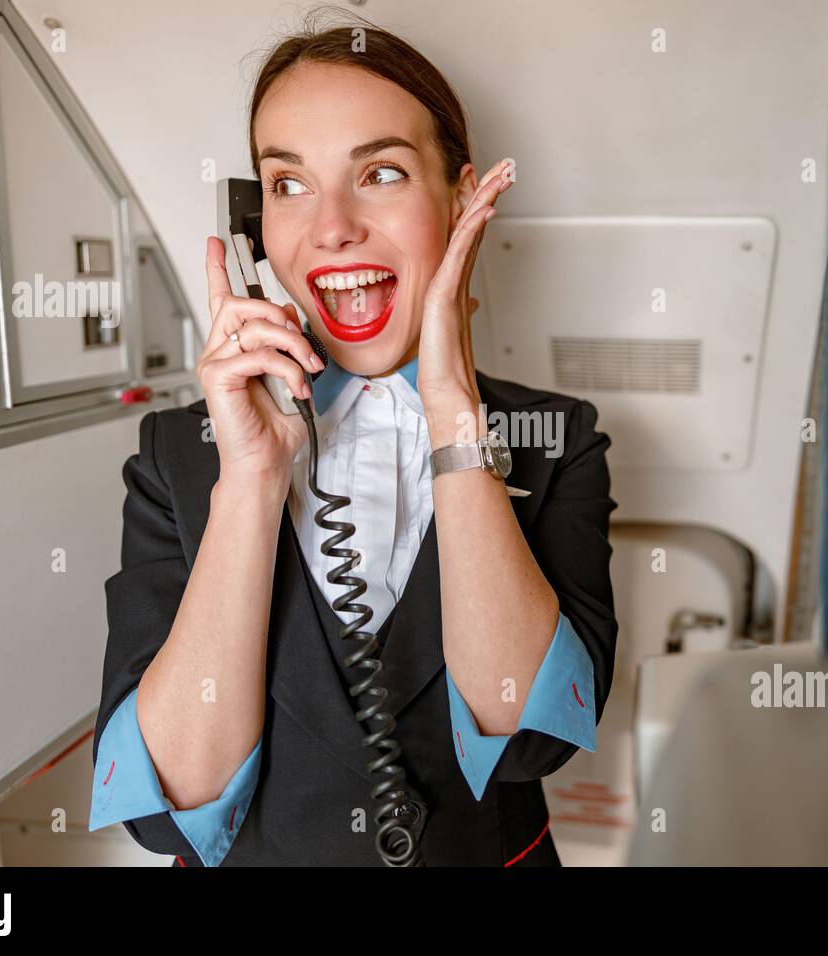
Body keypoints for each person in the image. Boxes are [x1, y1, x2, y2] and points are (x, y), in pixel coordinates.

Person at [88, 18, 618, 866]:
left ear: (461, 197)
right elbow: (169, 809)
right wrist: (253, 484)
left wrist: (453, 417)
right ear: (253, 220)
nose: (330, 228)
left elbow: (524, 741)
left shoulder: (558, 440)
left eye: (380, 173)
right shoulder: (174, 456)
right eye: (289, 184)